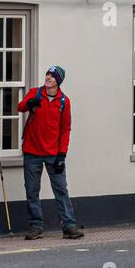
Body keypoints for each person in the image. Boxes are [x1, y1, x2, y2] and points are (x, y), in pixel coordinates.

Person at [18, 65, 83, 239]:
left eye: (52, 76)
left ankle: (69, 225)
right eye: (47, 74)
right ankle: (36, 226)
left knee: (61, 189)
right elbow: (20, 107)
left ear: (58, 81)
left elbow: (65, 129)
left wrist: (62, 155)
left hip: (53, 153)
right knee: (32, 190)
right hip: (32, 152)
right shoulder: (35, 93)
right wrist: (29, 103)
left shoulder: (64, 101)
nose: (48, 78)